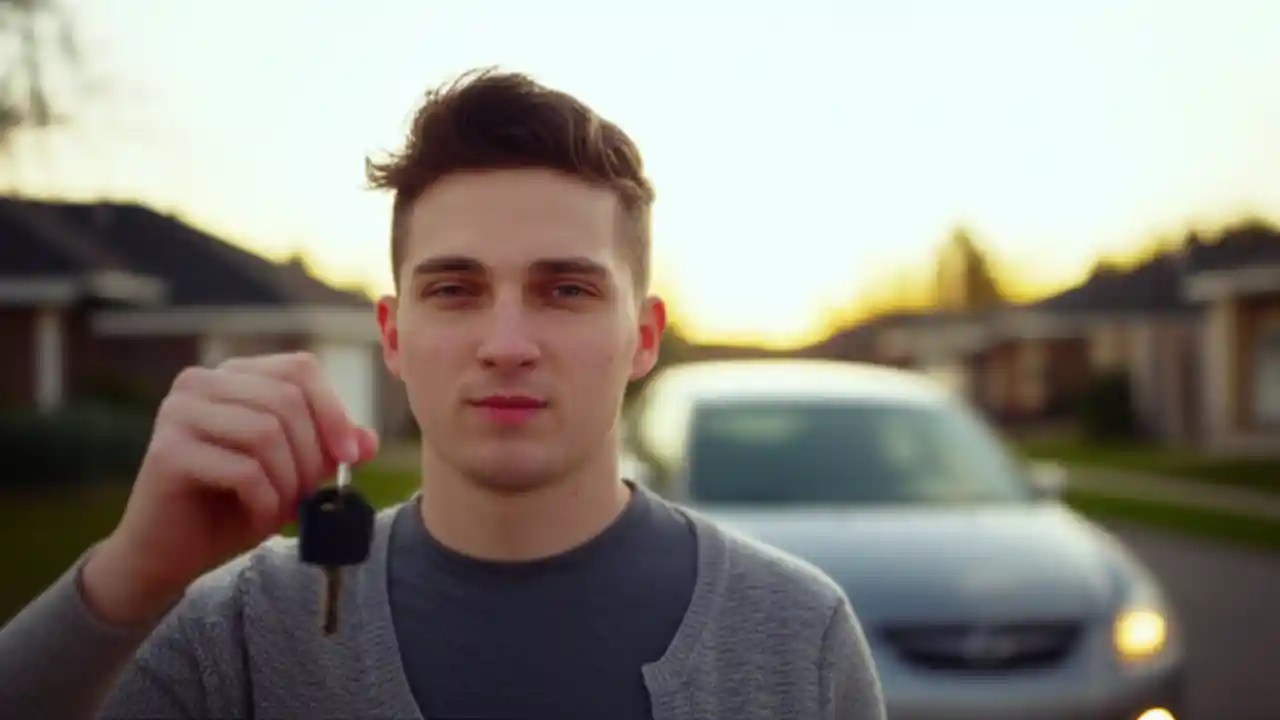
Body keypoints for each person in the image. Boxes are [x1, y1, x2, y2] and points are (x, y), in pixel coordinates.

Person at [0, 68, 885, 719]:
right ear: (392, 335)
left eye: (566, 290)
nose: (506, 345)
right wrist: (128, 577)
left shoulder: (796, 637)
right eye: (455, 290)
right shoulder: (240, 630)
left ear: (643, 337)